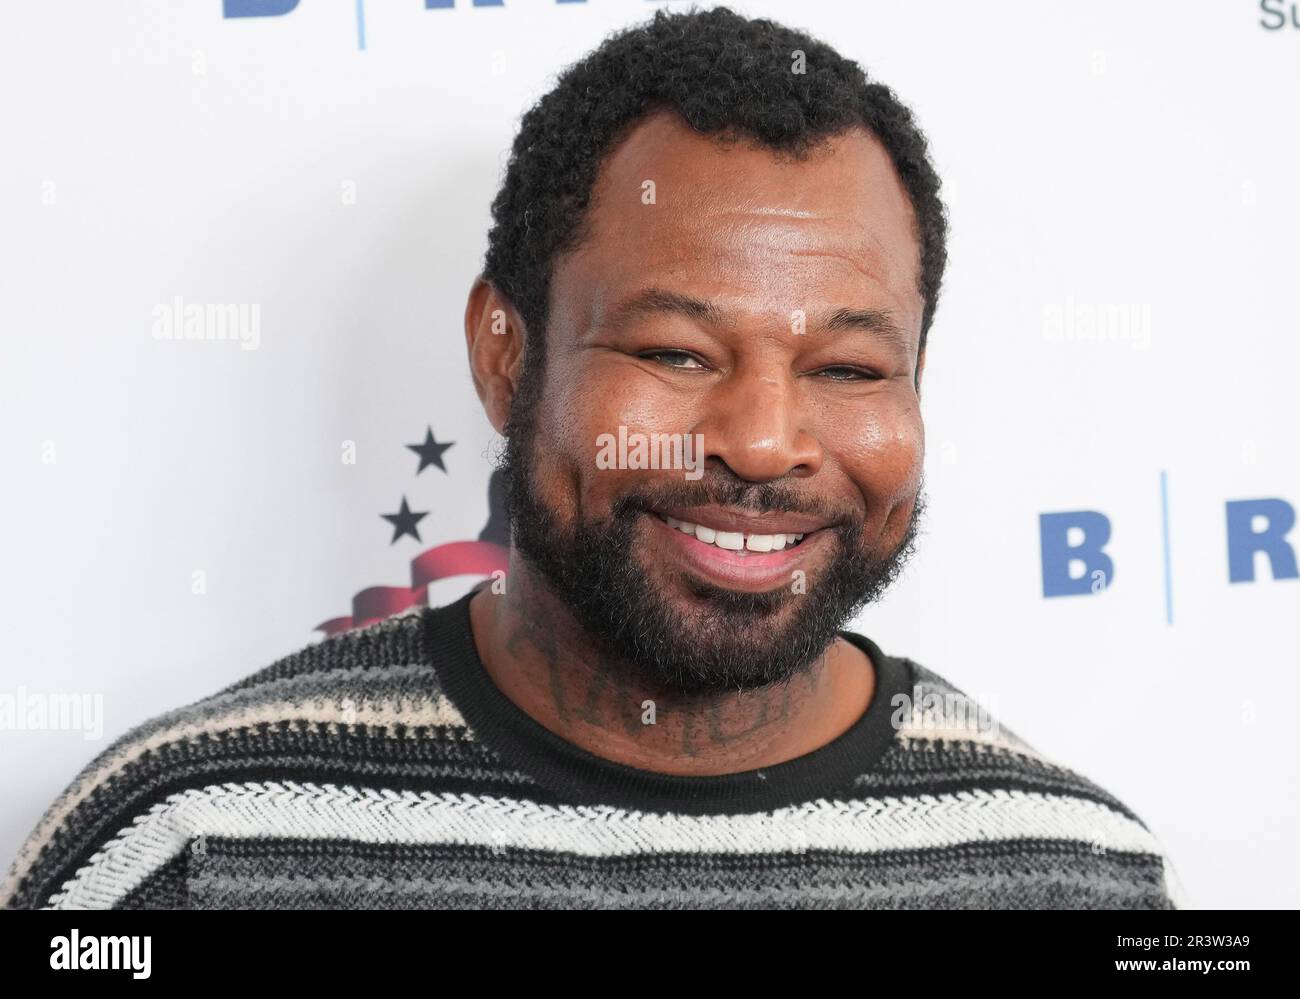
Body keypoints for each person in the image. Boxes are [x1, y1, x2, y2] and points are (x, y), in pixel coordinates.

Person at [2, 5, 1185, 910]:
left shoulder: (1079, 873)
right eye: (674, 352)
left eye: (848, 368)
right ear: (505, 355)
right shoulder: (187, 850)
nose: (762, 441)